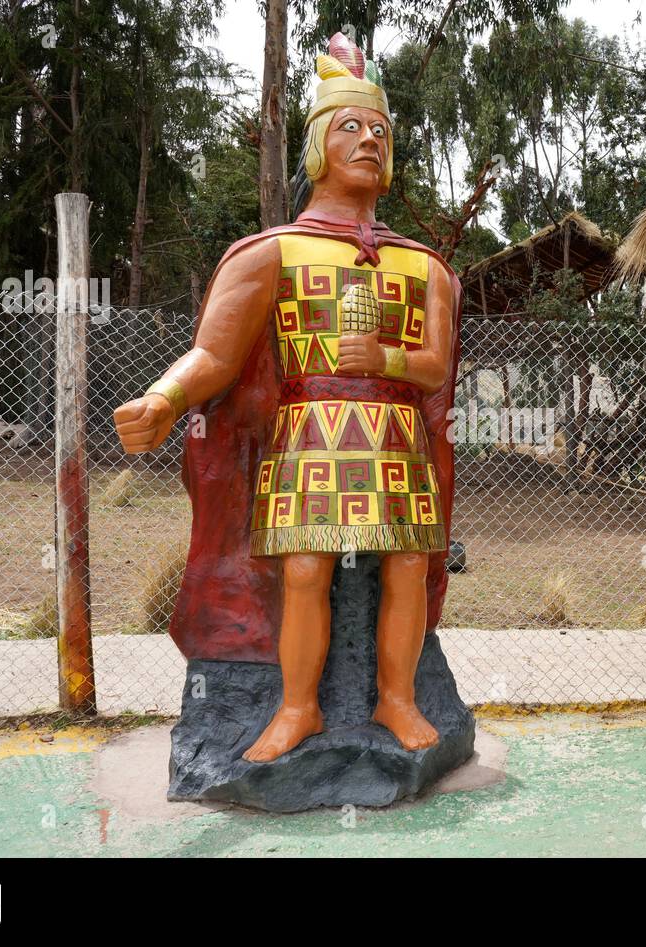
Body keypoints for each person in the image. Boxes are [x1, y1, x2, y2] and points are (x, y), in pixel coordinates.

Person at [112, 32, 461, 762]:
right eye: (350, 128)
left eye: (379, 131)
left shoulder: (423, 266)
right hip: (309, 431)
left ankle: (396, 698)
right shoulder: (273, 252)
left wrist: (389, 355)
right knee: (303, 569)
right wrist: (165, 397)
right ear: (315, 145)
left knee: (403, 564)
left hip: (395, 435)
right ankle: (297, 707)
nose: (368, 140)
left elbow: (435, 367)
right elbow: (216, 353)